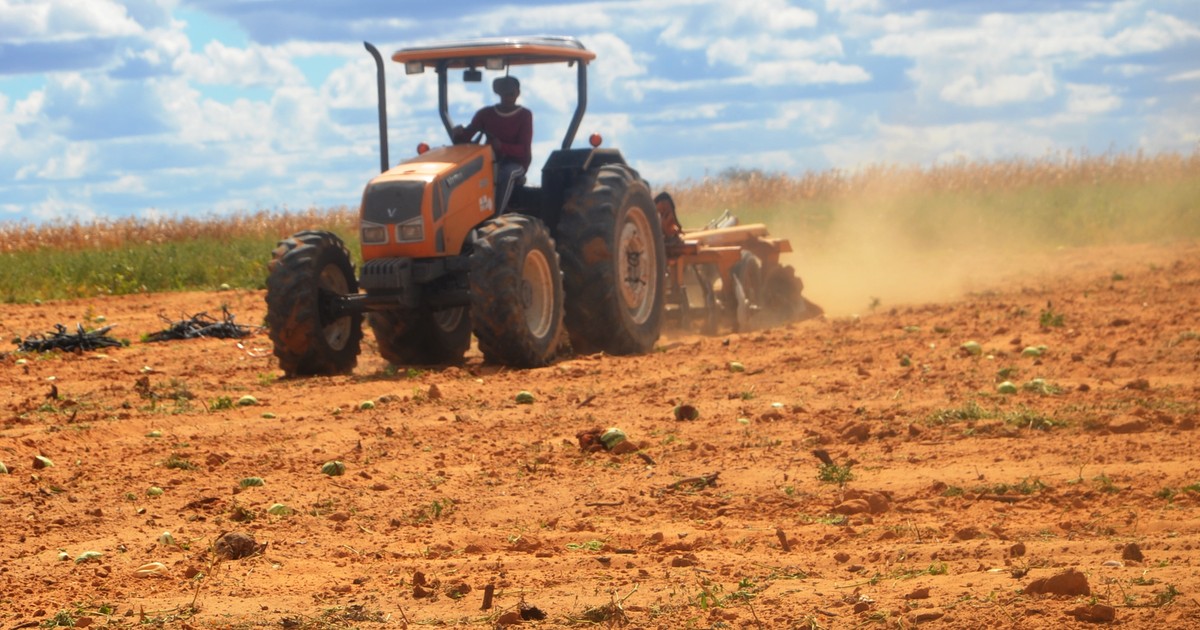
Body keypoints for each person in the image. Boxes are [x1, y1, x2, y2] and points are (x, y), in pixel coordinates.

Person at [453, 75, 532, 214]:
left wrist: (502, 147)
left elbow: (524, 150)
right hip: (489, 161)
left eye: (510, 94)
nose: (507, 98)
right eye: (503, 94)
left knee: (505, 173)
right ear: (498, 94)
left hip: (515, 163)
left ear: (517, 94)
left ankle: (495, 216)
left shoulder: (524, 115)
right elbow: (467, 136)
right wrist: (459, 133)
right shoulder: (485, 114)